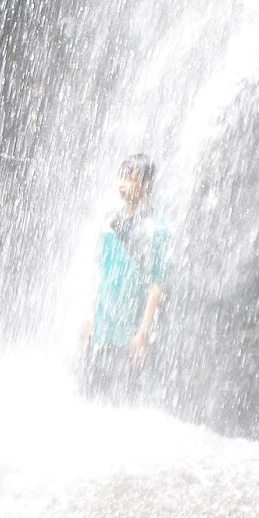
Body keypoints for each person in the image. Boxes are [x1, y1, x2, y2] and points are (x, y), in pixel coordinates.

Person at [81, 153, 170, 403]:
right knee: (89, 398)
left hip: (129, 334)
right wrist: (89, 314)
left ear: (147, 186)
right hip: (101, 326)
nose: (122, 184)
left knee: (122, 403)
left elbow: (156, 286)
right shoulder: (110, 220)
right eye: (121, 177)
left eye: (131, 179)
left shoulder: (157, 230)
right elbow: (99, 270)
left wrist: (143, 332)